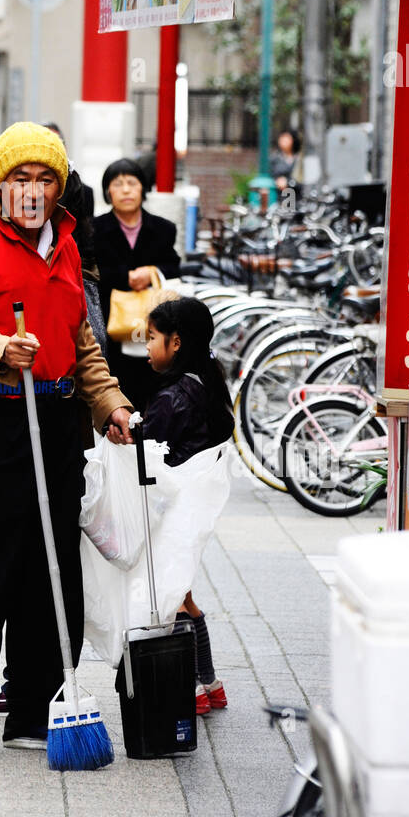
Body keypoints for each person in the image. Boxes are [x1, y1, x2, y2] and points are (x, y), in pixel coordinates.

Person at [0, 122, 133, 756]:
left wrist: (111, 404)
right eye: (20, 178)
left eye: (45, 179)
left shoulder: (67, 246)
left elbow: (81, 343)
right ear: (0, 184)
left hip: (58, 419)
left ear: (59, 187)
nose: (33, 190)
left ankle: (34, 711)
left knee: (50, 571)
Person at [143, 295, 234, 716]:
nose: (146, 346)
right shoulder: (209, 383)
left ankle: (190, 689)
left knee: (174, 599)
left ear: (175, 342)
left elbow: (150, 454)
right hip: (197, 506)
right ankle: (210, 682)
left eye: (152, 337)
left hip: (172, 509)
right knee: (185, 595)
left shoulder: (173, 397)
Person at [93, 157, 181, 412]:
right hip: (112, 324)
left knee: (154, 392)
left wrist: (151, 272)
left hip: (153, 324)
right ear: (108, 192)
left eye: (132, 183)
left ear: (143, 188)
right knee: (118, 391)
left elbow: (173, 267)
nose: (126, 190)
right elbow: (92, 272)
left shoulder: (164, 229)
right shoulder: (94, 230)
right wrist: (126, 277)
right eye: (117, 184)